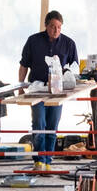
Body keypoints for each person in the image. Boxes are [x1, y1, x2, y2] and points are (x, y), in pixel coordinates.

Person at [18, 10, 78, 171]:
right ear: (46, 26)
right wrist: (21, 86)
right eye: (52, 26)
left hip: (58, 91)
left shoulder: (69, 44)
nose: (56, 30)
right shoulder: (33, 41)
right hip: (36, 89)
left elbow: (75, 69)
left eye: (59, 27)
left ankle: (48, 161)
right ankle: (39, 160)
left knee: (52, 125)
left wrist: (73, 87)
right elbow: (24, 65)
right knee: (39, 124)